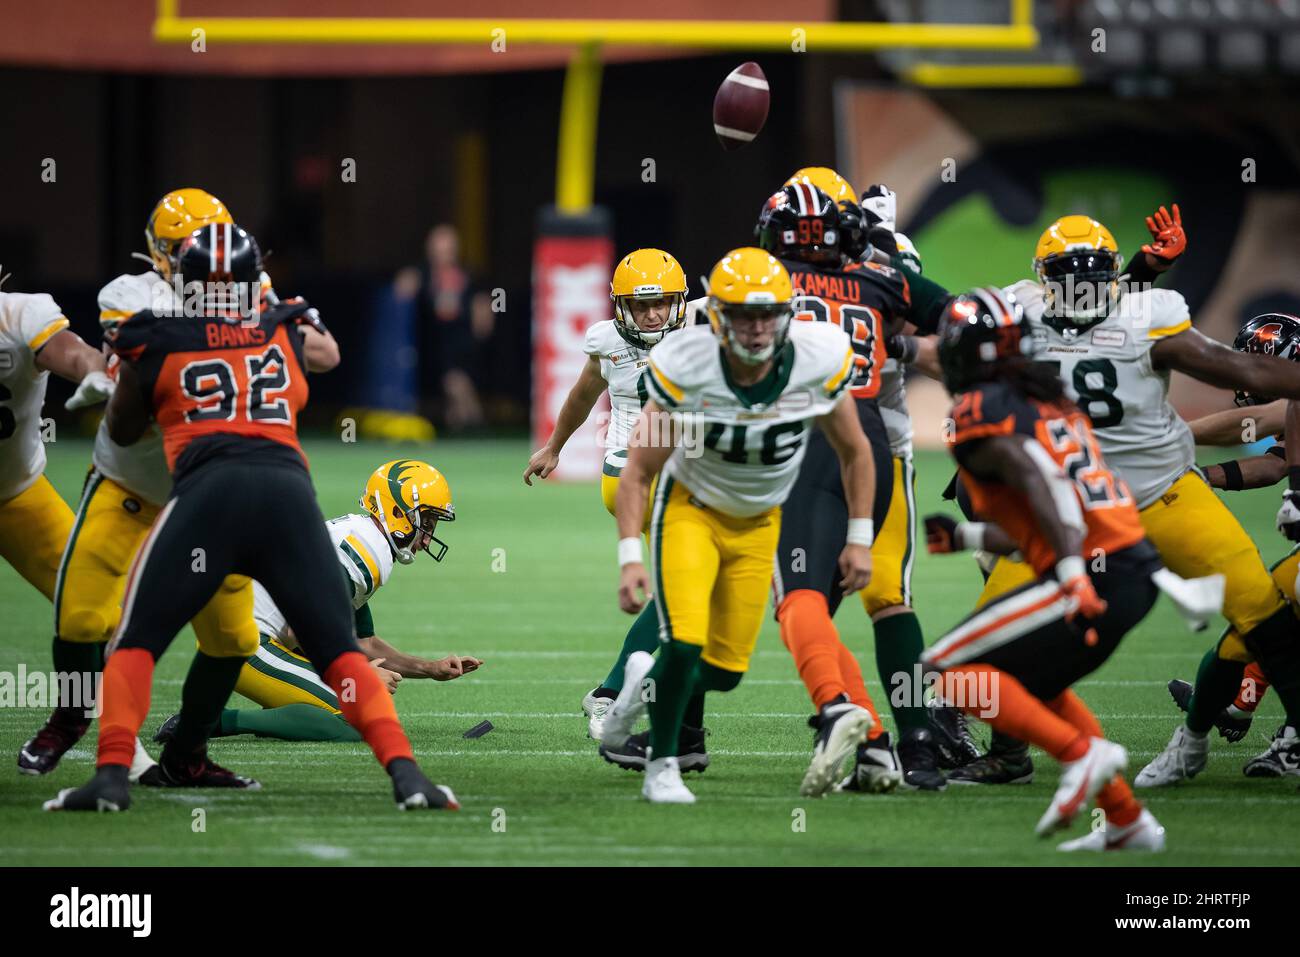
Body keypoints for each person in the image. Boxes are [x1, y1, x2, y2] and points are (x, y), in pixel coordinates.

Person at [45, 223, 456, 812]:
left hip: (208, 492)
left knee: (137, 641)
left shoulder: (157, 335)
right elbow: (327, 353)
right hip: (287, 493)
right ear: (252, 281)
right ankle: (409, 779)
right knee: (340, 649)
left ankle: (110, 778)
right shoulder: (282, 325)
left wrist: (123, 382)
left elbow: (124, 428)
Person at [19, 188, 340, 780]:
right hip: (133, 487)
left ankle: (187, 754)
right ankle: (69, 719)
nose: (196, 253)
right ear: (159, 251)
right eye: (184, 245)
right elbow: (129, 366)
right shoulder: (131, 294)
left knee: (233, 638)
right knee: (82, 614)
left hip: (208, 497)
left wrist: (266, 306)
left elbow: (322, 354)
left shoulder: (252, 291)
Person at [922, 286, 1202, 850]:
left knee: (944, 667)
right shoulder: (1051, 403)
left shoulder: (982, 409)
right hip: (1128, 569)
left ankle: (1083, 756)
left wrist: (1072, 571)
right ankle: (1126, 821)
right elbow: (1044, 516)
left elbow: (1040, 483)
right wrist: (968, 536)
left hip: (1093, 575)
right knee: (1038, 684)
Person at [601, 247, 876, 804]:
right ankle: (661, 768)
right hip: (691, 512)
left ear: (788, 313)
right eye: (743, 315)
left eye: (767, 314)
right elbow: (638, 472)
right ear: (718, 317)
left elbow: (856, 452)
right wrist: (631, 553)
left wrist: (860, 538)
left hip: (760, 524)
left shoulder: (816, 359)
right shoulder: (686, 364)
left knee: (725, 673)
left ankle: (638, 688)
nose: (756, 328)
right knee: (683, 644)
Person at [755, 179, 955, 793]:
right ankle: (893, 744)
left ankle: (849, 718)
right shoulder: (885, 272)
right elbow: (967, 326)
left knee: (802, 600)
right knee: (874, 598)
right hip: (877, 444)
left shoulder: (767, 277)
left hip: (811, 442)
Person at [153, 460, 483, 743]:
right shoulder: (366, 552)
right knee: (357, 715)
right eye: (426, 521)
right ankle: (206, 722)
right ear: (398, 511)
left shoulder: (362, 537)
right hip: (246, 641)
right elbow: (303, 630)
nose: (428, 536)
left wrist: (428, 668)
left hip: (243, 629)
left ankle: (283, 706)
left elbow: (362, 641)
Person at [523, 249, 690, 747]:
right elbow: (579, 396)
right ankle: (614, 693)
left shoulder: (699, 329)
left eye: (662, 302)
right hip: (629, 477)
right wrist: (554, 447)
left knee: (681, 590)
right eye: (643, 306)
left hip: (676, 471)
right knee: (684, 587)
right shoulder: (609, 343)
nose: (654, 313)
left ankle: (621, 690)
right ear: (622, 308)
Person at [395, 224, 492, 431]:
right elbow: (401, 292)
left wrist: (482, 314)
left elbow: (484, 310)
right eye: (439, 248)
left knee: (455, 380)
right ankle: (469, 424)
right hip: (429, 345)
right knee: (453, 386)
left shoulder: (468, 276)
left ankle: (472, 423)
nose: (443, 254)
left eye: (448, 248)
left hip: (461, 344)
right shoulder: (421, 274)